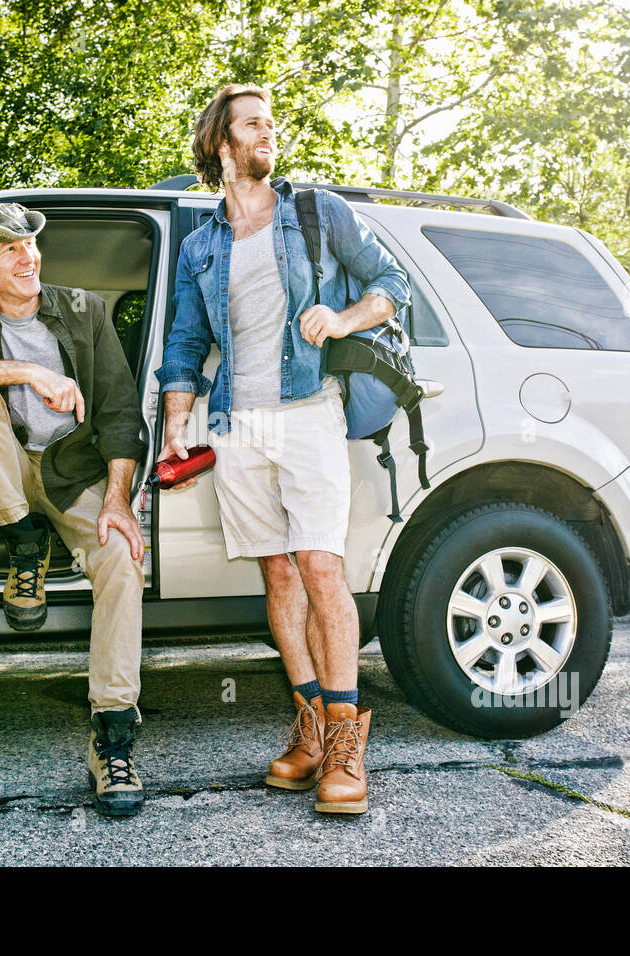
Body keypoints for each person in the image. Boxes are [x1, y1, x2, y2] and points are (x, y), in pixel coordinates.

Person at [155, 85, 410, 814]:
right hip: (239, 423)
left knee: (322, 568)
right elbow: (185, 339)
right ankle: (307, 726)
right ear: (222, 145)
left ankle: (344, 741)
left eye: (272, 123)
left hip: (308, 413)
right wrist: (179, 419)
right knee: (278, 576)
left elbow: (392, 285)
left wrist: (344, 315)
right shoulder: (202, 245)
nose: (269, 132)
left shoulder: (315, 212)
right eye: (253, 124)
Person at [0, 202, 149, 817]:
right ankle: (26, 542)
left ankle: (114, 733)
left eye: (30, 245)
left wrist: (119, 500)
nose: (28, 256)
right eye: (10, 249)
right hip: (7, 472)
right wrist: (28, 372)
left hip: (73, 473)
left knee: (123, 557)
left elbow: (123, 413)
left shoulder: (83, 309)